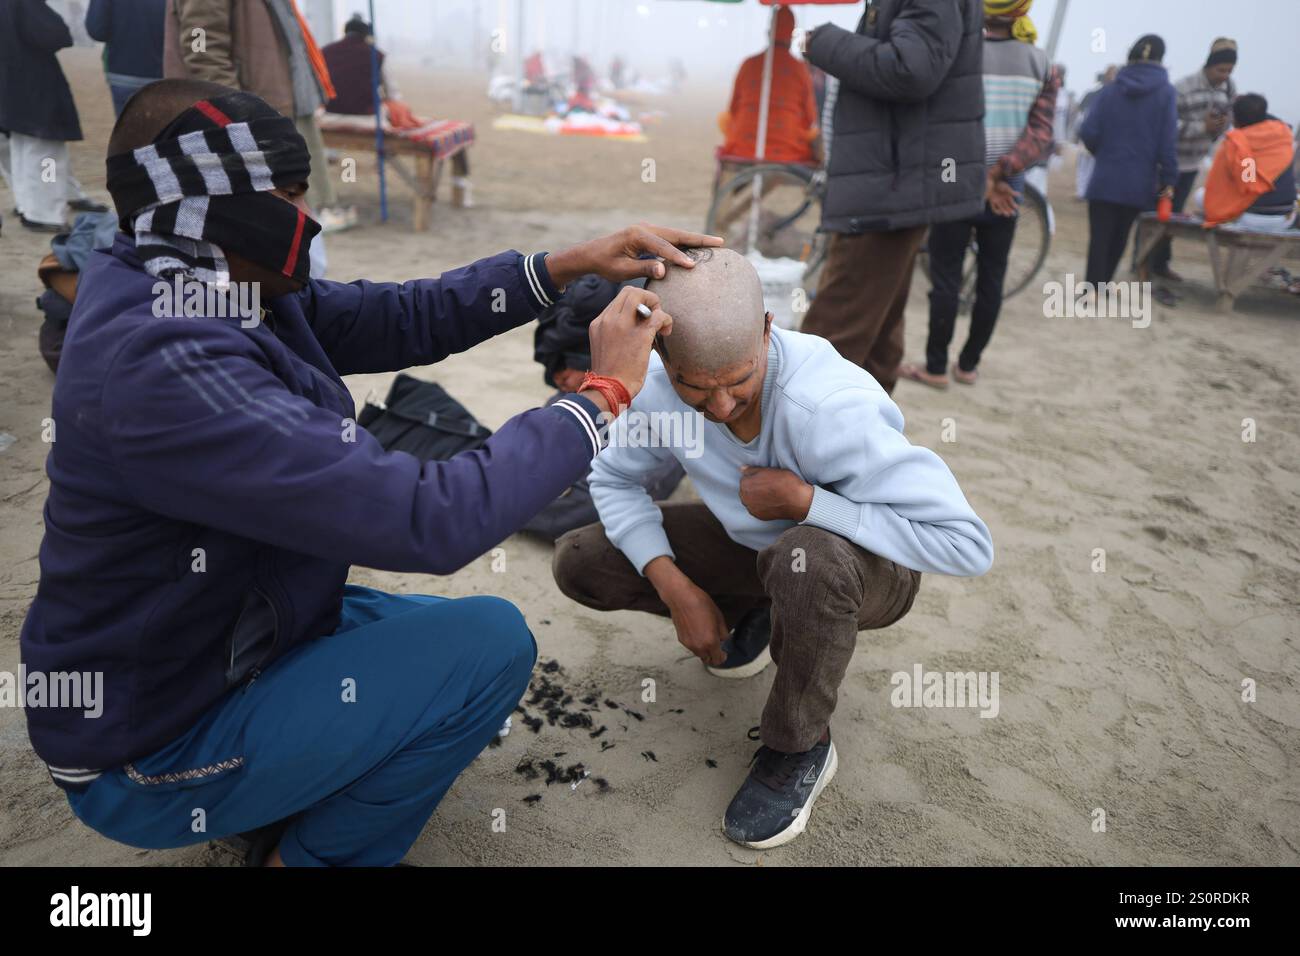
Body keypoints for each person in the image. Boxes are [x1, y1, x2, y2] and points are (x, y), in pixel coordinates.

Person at [20, 78, 720, 867]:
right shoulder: (164, 362)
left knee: (420, 638)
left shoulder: (200, 278)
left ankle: (279, 783)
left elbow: (391, 315)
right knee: (486, 645)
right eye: (286, 199)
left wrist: (560, 267)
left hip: (219, 629)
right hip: (144, 743)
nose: (307, 222)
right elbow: (427, 519)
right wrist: (599, 398)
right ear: (204, 208)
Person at [552, 248, 993, 849]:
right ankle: (755, 610)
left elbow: (966, 546)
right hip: (757, 549)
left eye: (737, 383)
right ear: (660, 352)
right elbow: (613, 478)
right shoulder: (658, 390)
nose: (722, 408)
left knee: (804, 557)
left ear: (767, 329)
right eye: (696, 389)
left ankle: (799, 745)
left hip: (868, 567)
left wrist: (809, 503)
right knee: (582, 559)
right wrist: (675, 588)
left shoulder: (829, 406)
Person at [799, 0, 986, 394]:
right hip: (895, 182)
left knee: (827, 345)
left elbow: (911, 69)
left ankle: (798, 451)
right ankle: (864, 444)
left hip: (890, 185)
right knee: (878, 337)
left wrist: (824, 43)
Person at [901, 0, 1059, 389]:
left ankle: (935, 368)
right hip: (1009, 189)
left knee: (946, 279)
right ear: (1021, 11)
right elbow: (1040, 135)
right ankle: (968, 366)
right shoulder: (1042, 64)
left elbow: (944, 121)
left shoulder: (958, 52)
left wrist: (979, 177)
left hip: (955, 182)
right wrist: (999, 173)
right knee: (992, 278)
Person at [162, 0, 355, 233]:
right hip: (247, 119)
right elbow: (201, 48)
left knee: (296, 226)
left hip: (279, 107)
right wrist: (235, 110)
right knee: (268, 227)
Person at [1078, 34, 1177, 288]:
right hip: (1140, 179)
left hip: (1106, 174)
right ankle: (1105, 283)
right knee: (1121, 235)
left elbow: (1088, 131)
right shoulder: (1166, 93)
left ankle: (1092, 288)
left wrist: (1103, 152)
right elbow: (1167, 142)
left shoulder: (1110, 89)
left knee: (1099, 236)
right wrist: (1168, 178)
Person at [0, 0, 102, 231]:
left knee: (23, 148)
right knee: (46, 154)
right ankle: (43, 212)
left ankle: (29, 204)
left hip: (12, 83)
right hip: (32, 84)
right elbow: (54, 34)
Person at [1149, 38, 1238, 281]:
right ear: (1209, 65)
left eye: (1229, 71)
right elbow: (1166, 125)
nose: (1224, 75)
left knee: (1175, 216)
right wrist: (1201, 127)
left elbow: (1228, 119)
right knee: (1157, 215)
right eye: (1221, 70)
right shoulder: (1183, 87)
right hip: (1168, 163)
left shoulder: (1228, 89)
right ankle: (1143, 263)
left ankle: (1160, 264)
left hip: (1192, 164)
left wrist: (1218, 127)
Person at [719, 5, 820, 167]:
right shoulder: (800, 69)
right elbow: (810, 119)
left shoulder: (748, 64)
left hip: (743, 147)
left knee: (723, 119)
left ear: (768, 32)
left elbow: (732, 109)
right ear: (792, 36)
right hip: (790, 150)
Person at [1200, 93, 1296, 233]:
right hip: (1285, 217)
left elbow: (1248, 182)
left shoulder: (1239, 144)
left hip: (1252, 218)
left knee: (1202, 196)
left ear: (1235, 119)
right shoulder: (1284, 135)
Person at [320, 14, 416, 128]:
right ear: (366, 35)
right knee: (397, 107)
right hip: (368, 117)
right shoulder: (378, 55)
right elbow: (393, 94)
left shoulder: (324, 52)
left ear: (345, 32)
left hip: (330, 114)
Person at [84, 0, 166, 116]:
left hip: (123, 72)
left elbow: (96, 30)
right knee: (162, 129)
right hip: (163, 74)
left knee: (127, 130)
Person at [1073, 66, 1117, 200]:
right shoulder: (1093, 95)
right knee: (1084, 165)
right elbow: (1080, 116)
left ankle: (1085, 191)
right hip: (1090, 135)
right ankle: (1081, 191)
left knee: (1091, 166)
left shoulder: (1114, 96)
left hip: (1101, 137)